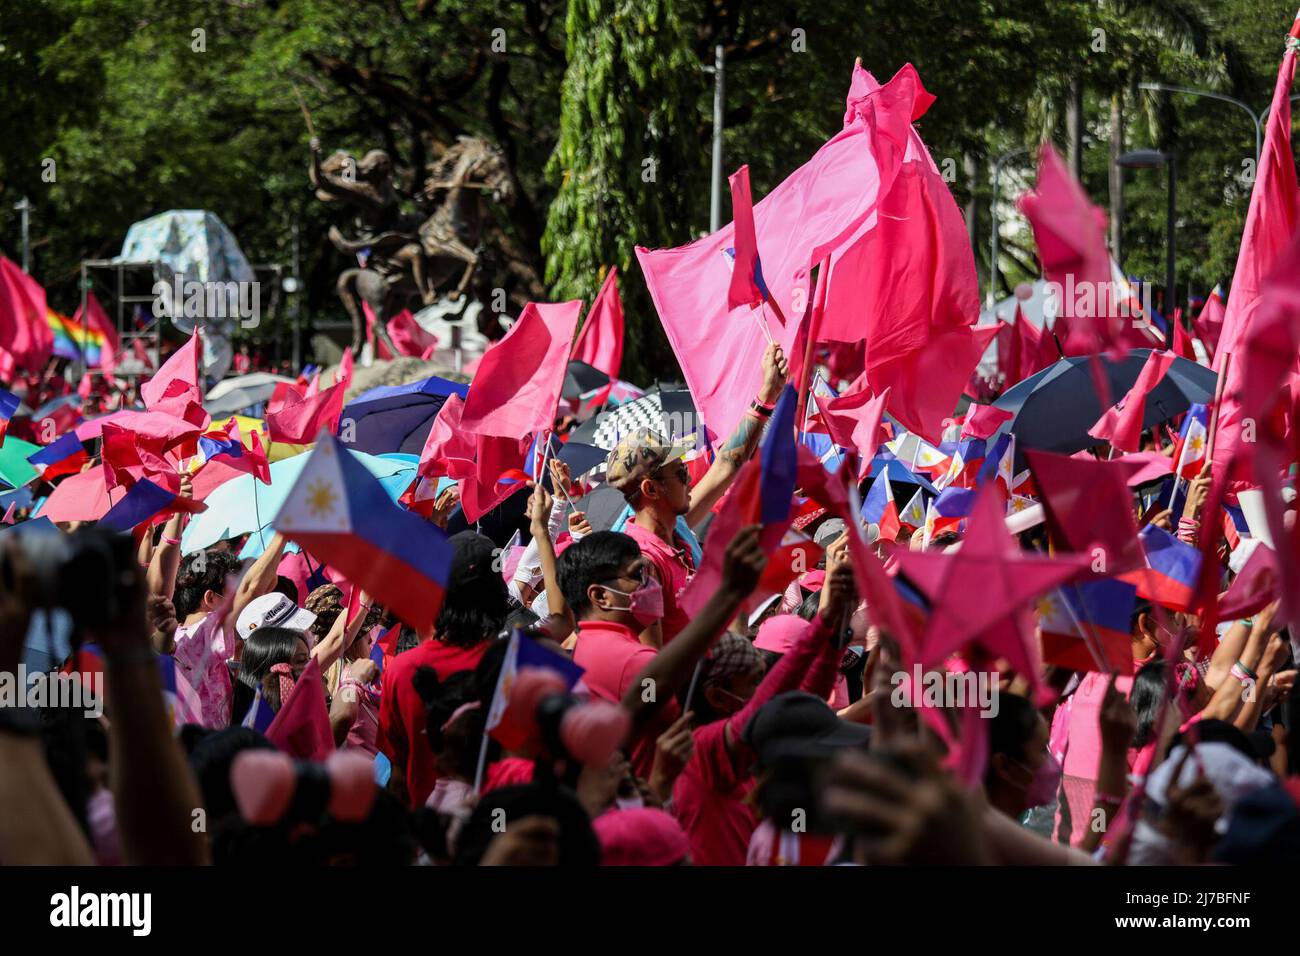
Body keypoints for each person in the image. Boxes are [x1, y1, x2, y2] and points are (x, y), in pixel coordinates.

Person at [604, 341, 788, 645]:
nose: (690, 477)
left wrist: (766, 397)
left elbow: (728, 464)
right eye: (680, 473)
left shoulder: (677, 531)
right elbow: (654, 663)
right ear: (651, 488)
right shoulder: (641, 562)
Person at [378, 531, 509, 806]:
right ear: (499, 591)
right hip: (517, 826)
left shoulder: (401, 671)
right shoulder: (523, 659)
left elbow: (398, 770)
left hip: (432, 833)